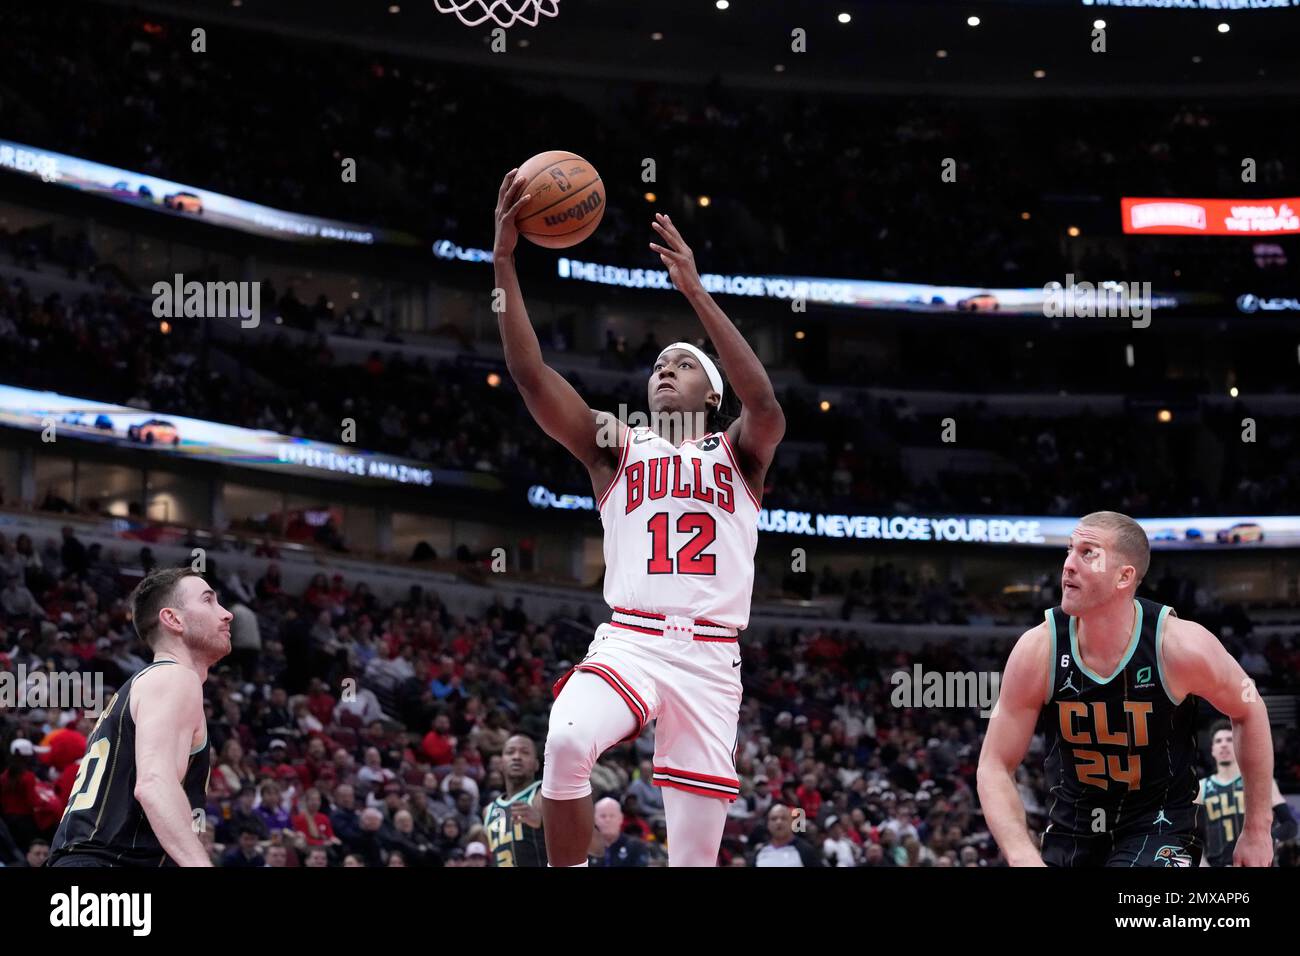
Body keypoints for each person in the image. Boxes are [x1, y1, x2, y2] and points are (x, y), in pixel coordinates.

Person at [493, 171, 785, 868]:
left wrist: (695, 291)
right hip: (633, 639)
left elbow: (767, 404)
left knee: (692, 860)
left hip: (712, 659)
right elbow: (533, 379)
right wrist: (503, 262)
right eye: (656, 362)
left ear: (709, 393)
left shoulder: (739, 453)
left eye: (680, 364)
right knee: (564, 741)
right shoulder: (617, 446)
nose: (662, 369)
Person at [978, 512, 1277, 867]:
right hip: (1073, 829)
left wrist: (1258, 829)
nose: (1068, 565)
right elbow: (994, 763)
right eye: (1070, 550)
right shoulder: (1037, 650)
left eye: (1088, 553)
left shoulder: (1181, 646)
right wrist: (1021, 854)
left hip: (1162, 825)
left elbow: (1249, 707)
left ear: (1125, 576)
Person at [48, 568, 232, 867]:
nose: (226, 614)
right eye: (208, 601)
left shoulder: (142, 687)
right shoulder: (174, 677)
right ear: (173, 619)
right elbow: (154, 784)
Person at [1196, 720, 1297, 867]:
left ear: (1239, 745)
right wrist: (1201, 862)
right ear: (1212, 749)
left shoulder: (1260, 782)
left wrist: (1265, 839)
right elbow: (1186, 834)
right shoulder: (1201, 787)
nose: (1223, 744)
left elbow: (1290, 825)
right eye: (1218, 741)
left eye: (1229, 740)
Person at [482, 734, 546, 866]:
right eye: (510, 752)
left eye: (525, 752)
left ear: (536, 764)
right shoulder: (488, 811)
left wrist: (543, 823)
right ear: (501, 764)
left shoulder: (544, 796)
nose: (516, 757)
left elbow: (592, 847)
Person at [753, 804, 822, 867]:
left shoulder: (806, 851)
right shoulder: (760, 852)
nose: (778, 822)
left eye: (784, 818)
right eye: (774, 819)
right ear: (768, 824)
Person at [591, 797, 648, 867]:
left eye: (612, 816)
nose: (608, 820)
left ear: (621, 818)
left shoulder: (636, 847)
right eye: (603, 816)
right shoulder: (586, 849)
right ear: (594, 819)